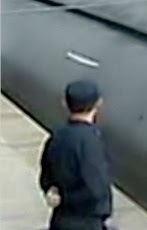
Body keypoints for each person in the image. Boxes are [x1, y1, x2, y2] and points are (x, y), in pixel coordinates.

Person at [39, 79, 113, 230]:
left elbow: (46, 177)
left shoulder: (57, 137)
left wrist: (54, 193)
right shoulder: (91, 141)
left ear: (65, 104)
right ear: (98, 103)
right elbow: (96, 188)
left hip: (60, 219)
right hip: (86, 222)